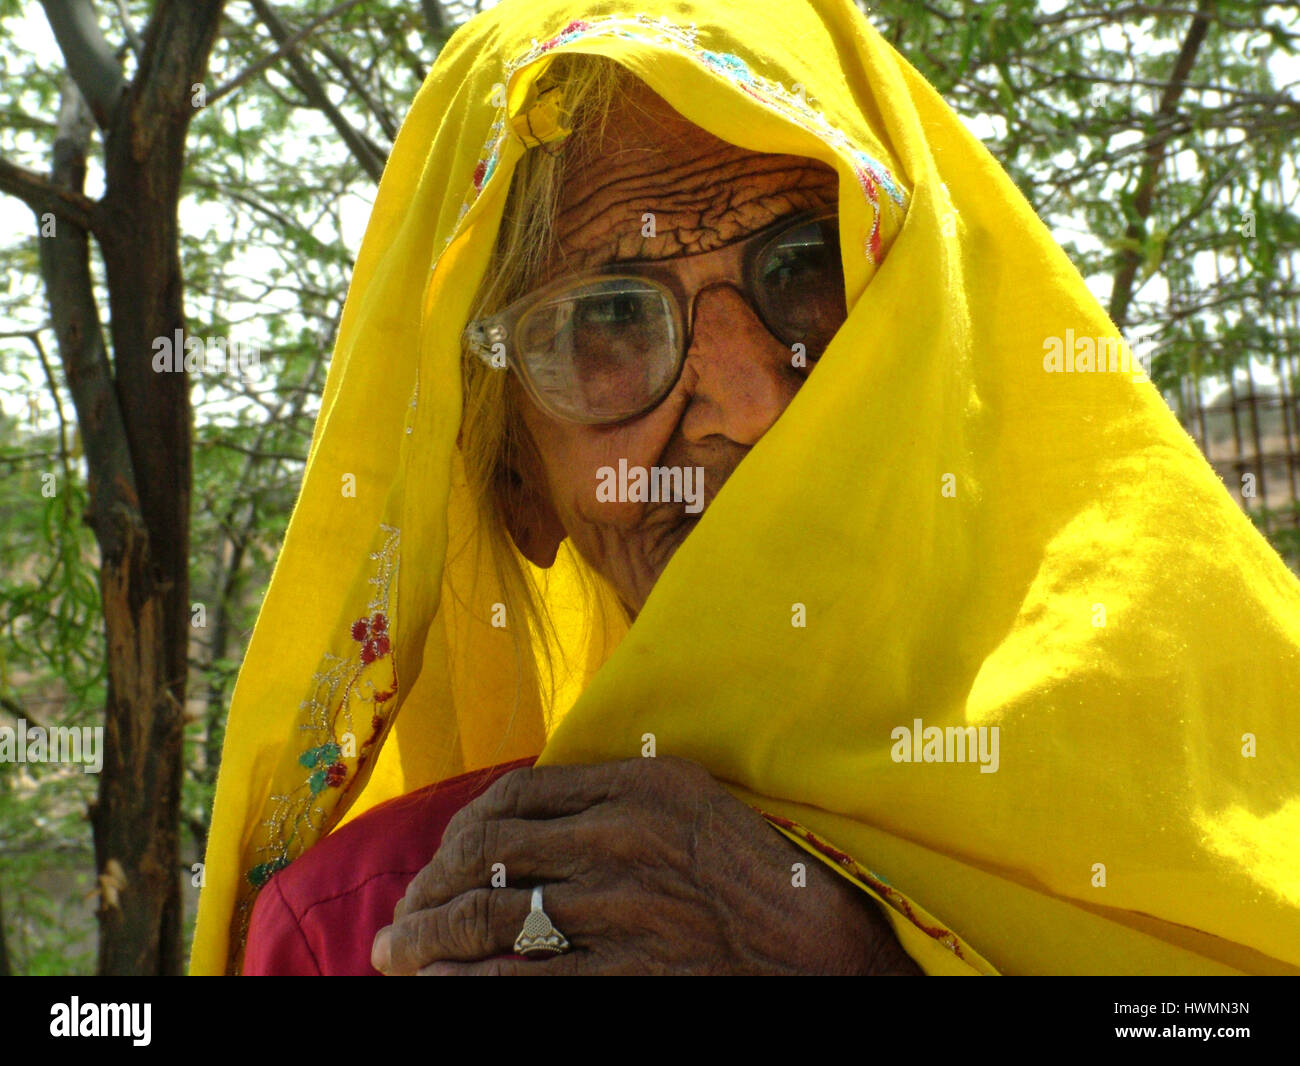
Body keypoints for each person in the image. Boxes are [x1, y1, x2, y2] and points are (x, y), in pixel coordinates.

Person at [191, 0, 1300, 977]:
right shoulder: (382, 924)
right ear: (519, 487)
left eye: (806, 267)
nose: (751, 404)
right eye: (607, 319)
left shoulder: (1229, 776)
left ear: (934, 352)